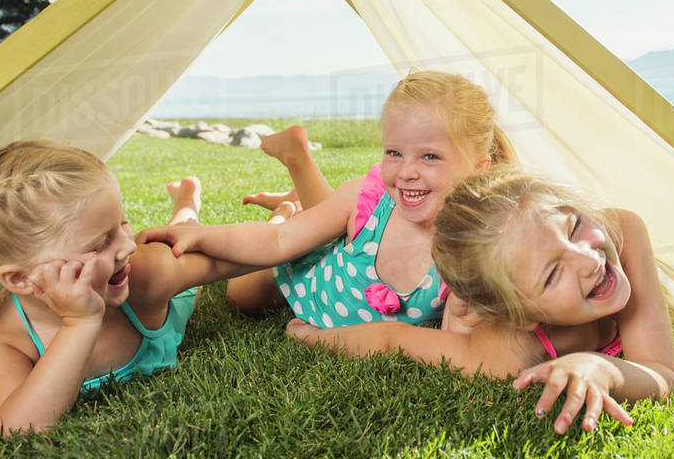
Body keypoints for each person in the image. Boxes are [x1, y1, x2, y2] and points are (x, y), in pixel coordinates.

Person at [285, 167, 674, 435]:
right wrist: (309, 337)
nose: (587, 258)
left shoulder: (622, 230)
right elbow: (392, 338)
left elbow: (662, 371)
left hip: (480, 271)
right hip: (333, 272)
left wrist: (603, 369)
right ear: (522, 316)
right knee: (246, 294)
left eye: (574, 225)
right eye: (552, 274)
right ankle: (287, 214)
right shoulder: (506, 352)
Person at [0, 139, 281, 434]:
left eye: (122, 223)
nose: (127, 244)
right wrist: (80, 323)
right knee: (168, 246)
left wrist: (291, 225)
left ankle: (193, 205)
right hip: (140, 283)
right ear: (20, 279)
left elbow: (260, 250)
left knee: (183, 238)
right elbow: (17, 428)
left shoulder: (143, 269)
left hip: (166, 292)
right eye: (98, 244)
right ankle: (185, 203)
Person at [140, 71, 514, 328]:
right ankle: (283, 207)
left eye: (430, 156)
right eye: (394, 153)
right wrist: (202, 235)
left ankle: (296, 187)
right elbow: (278, 243)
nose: (406, 172)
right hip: (306, 272)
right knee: (241, 298)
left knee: (328, 223)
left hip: (337, 250)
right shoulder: (370, 197)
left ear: (479, 168)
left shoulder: (472, 253)